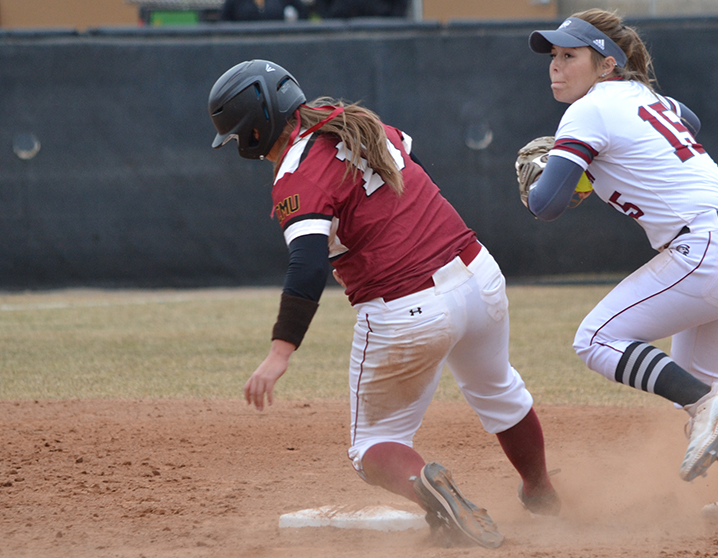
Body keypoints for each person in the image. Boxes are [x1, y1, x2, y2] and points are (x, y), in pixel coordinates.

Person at [208, 59, 559, 548]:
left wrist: (280, 350)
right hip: (479, 276)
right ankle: (541, 491)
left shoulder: (296, 173)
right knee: (497, 387)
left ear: (252, 132)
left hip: (406, 307)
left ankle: (433, 490)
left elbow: (307, 267)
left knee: (370, 446)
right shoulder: (362, 124)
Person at [517, 10, 718, 521]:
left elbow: (546, 204)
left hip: (711, 249)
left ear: (605, 67)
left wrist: (559, 175)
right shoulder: (646, 99)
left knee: (596, 339)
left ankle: (706, 407)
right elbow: (686, 119)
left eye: (569, 56)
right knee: (699, 383)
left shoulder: (588, 111)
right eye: (553, 57)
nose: (555, 67)